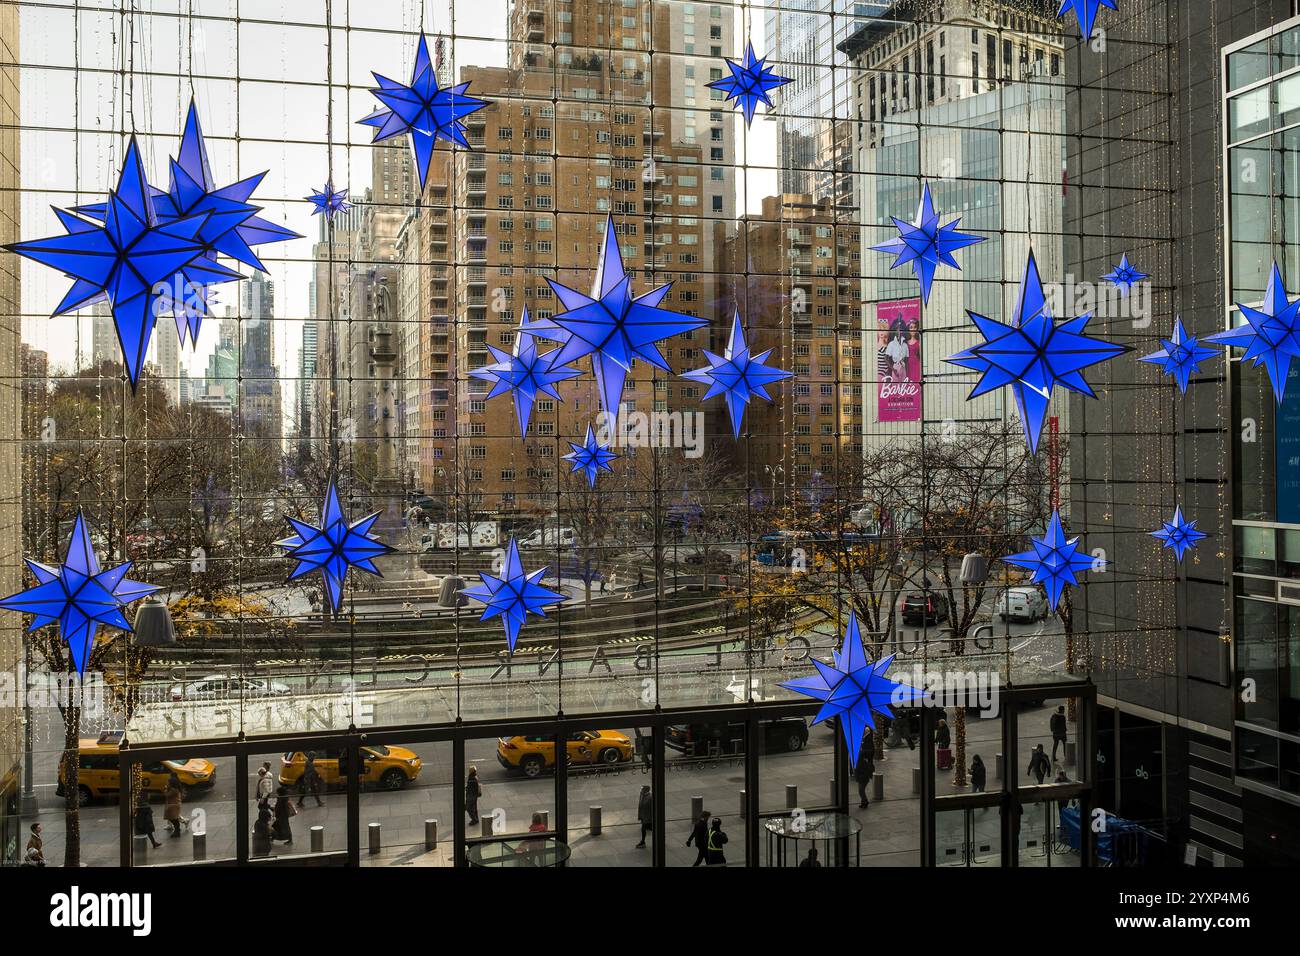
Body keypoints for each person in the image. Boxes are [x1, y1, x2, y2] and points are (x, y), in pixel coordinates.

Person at [855, 739, 875, 808]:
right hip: (861, 775)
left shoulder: (862, 756)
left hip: (863, 775)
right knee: (861, 790)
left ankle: (865, 801)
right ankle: (863, 802)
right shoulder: (859, 757)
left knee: (861, 790)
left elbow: (871, 752)